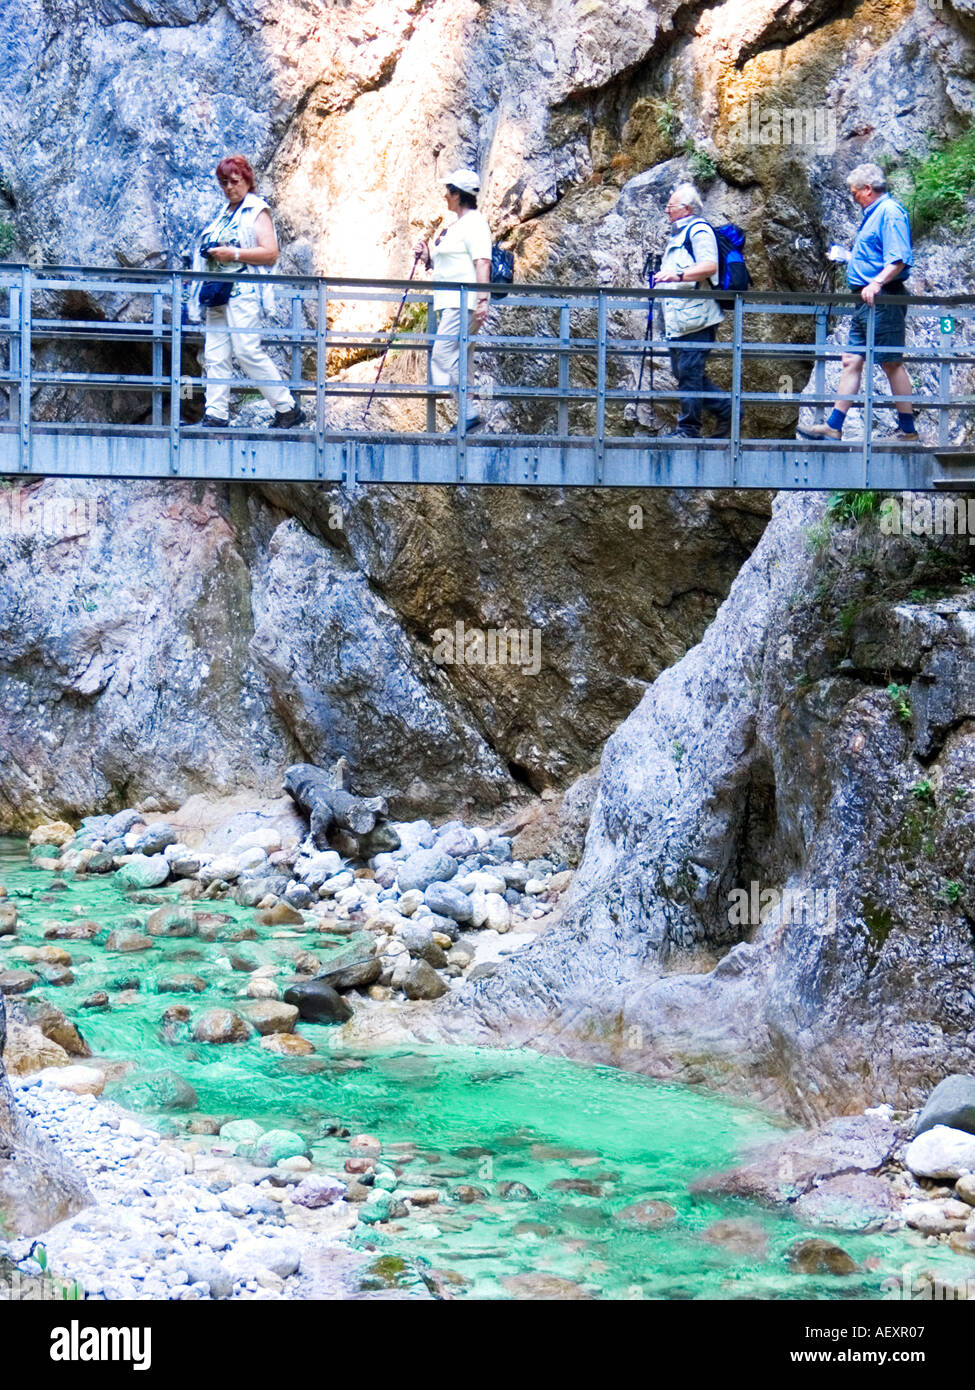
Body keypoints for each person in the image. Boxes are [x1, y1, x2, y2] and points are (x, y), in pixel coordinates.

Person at [798, 163, 916, 442]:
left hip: (883, 297)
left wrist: (876, 282)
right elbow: (877, 256)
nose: (853, 198)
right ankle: (833, 426)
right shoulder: (873, 215)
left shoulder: (889, 213)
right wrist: (850, 259)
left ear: (867, 190)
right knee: (851, 360)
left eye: (854, 193)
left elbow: (898, 258)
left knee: (891, 362)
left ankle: (909, 431)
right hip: (865, 300)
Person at [188, 155, 302, 429]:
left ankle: (287, 408)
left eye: (234, 181)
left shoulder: (256, 210)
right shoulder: (223, 214)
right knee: (215, 354)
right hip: (216, 291)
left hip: (242, 291)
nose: (229, 187)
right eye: (224, 183)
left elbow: (270, 252)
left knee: (247, 351)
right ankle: (216, 414)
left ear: (246, 180)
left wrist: (234, 253)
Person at [651, 183, 732, 441]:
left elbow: (709, 266)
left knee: (688, 373)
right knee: (683, 372)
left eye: (670, 207)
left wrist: (676, 274)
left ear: (685, 209)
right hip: (682, 318)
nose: (666, 211)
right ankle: (727, 408)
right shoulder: (680, 234)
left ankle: (689, 429)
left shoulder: (699, 231)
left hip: (696, 318)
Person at [414, 169, 492, 431]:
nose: (445, 195)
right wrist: (427, 255)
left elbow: (482, 261)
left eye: (449, 190)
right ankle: (467, 416)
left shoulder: (474, 223)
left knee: (442, 354)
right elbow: (448, 263)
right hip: (453, 303)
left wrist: (483, 300)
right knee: (463, 356)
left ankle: (469, 413)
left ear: (459, 195)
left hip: (464, 303)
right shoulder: (457, 226)